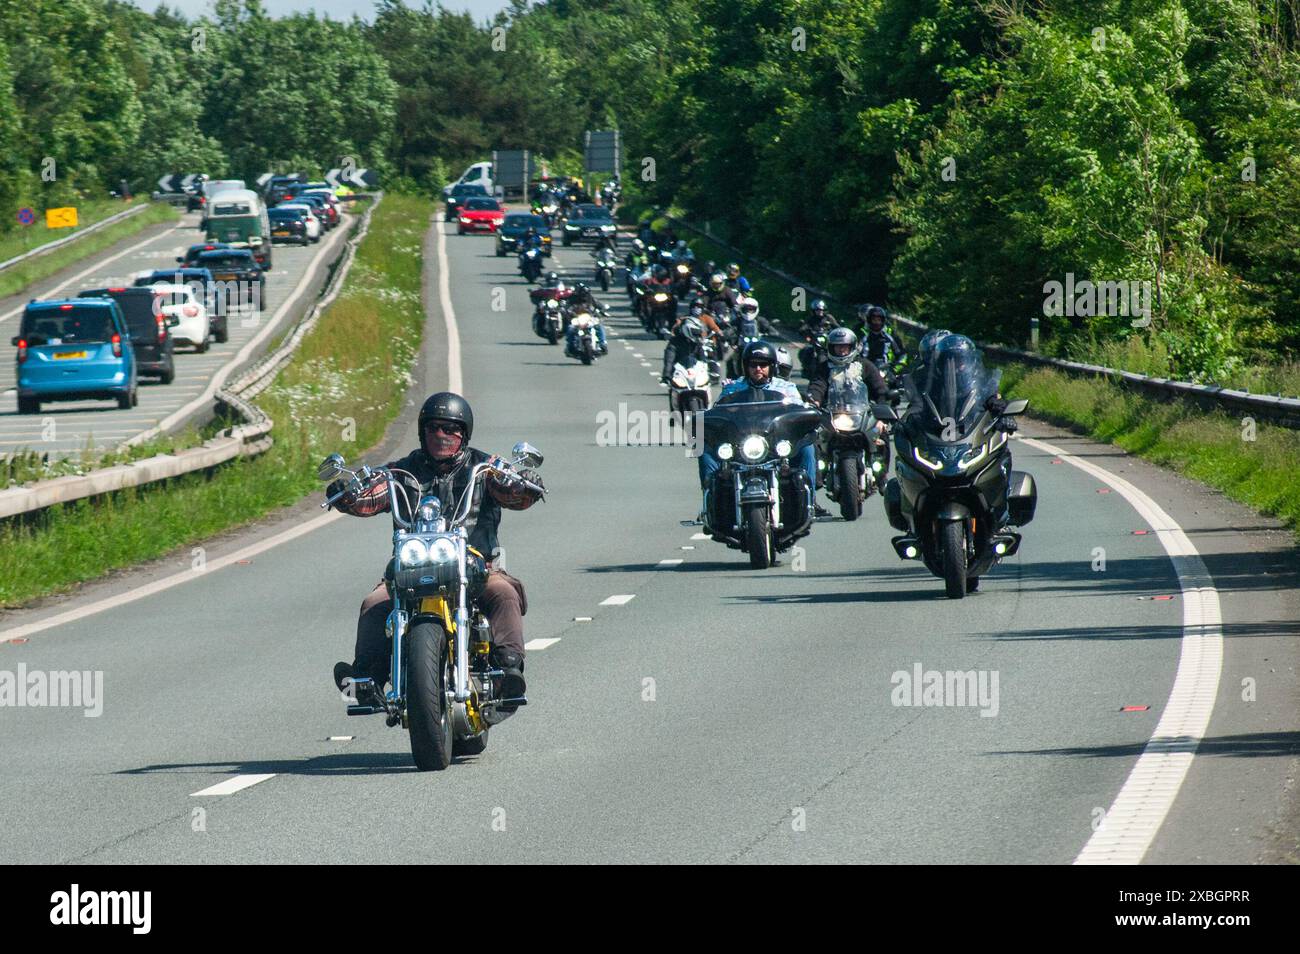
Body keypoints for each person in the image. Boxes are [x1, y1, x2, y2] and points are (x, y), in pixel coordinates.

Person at [328, 392, 543, 707]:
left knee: (504, 593)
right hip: (411, 567)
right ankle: (366, 677)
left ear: (464, 433)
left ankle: (508, 668)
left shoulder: (485, 467)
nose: (441, 436)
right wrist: (348, 494)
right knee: (375, 602)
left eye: (450, 429)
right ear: (422, 432)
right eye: (433, 428)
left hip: (476, 565)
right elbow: (371, 494)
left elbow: (516, 495)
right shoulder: (401, 471)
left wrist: (522, 484)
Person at [699, 342, 819, 506]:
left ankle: (809, 501)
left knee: (807, 449)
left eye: (763, 364)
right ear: (745, 367)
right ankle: (710, 502)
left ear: (772, 366)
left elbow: (798, 413)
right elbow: (718, 412)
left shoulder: (786, 388)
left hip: (777, 445)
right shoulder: (733, 388)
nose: (758, 369)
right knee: (705, 452)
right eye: (753, 365)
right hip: (740, 446)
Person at [806, 328, 891, 407]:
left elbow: (880, 389)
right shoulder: (824, 366)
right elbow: (817, 385)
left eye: (845, 346)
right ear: (831, 347)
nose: (841, 349)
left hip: (863, 413)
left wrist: (882, 414)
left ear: (852, 347)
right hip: (830, 413)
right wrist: (815, 399)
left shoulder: (865, 365)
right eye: (838, 346)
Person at [662, 310, 724, 382]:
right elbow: (669, 361)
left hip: (696, 375)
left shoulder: (697, 343)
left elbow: (702, 360)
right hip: (678, 376)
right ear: (687, 330)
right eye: (695, 332)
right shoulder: (674, 343)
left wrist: (708, 374)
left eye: (698, 333)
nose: (697, 335)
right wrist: (666, 375)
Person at [858, 305, 908, 378]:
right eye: (874, 320)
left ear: (883, 321)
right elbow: (856, 355)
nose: (877, 323)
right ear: (869, 321)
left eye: (879, 320)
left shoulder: (890, 335)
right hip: (867, 374)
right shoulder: (862, 336)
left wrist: (894, 369)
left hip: (888, 372)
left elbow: (902, 354)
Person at [565, 282, 609, 355]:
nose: (584, 295)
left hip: (589, 317)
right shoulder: (572, 298)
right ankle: (571, 345)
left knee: (599, 326)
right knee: (571, 328)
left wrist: (602, 310)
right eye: (582, 293)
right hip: (577, 318)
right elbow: (567, 307)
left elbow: (599, 305)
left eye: (585, 293)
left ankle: (603, 343)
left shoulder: (590, 298)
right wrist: (569, 312)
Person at [797, 299, 837, 377]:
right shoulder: (811, 319)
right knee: (805, 351)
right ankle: (805, 368)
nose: (820, 312)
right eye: (817, 310)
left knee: (837, 351)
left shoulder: (829, 318)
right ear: (814, 311)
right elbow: (804, 326)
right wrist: (803, 330)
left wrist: (838, 330)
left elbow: (837, 326)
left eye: (821, 310)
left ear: (824, 310)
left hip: (828, 341)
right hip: (814, 341)